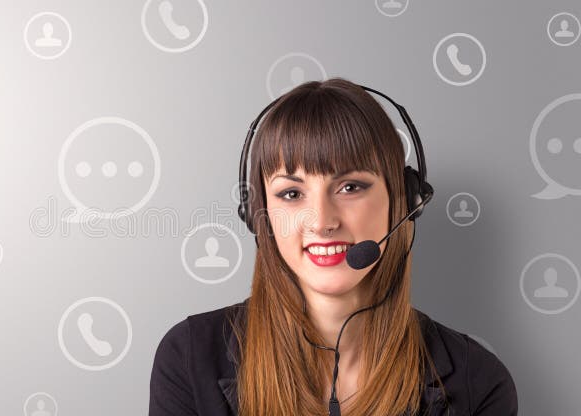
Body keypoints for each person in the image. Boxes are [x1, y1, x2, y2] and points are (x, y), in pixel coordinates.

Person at [149, 78, 518, 415]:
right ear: (260, 214)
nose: (322, 221)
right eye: (291, 193)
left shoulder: (479, 383)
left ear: (403, 201)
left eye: (350, 187)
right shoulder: (189, 358)